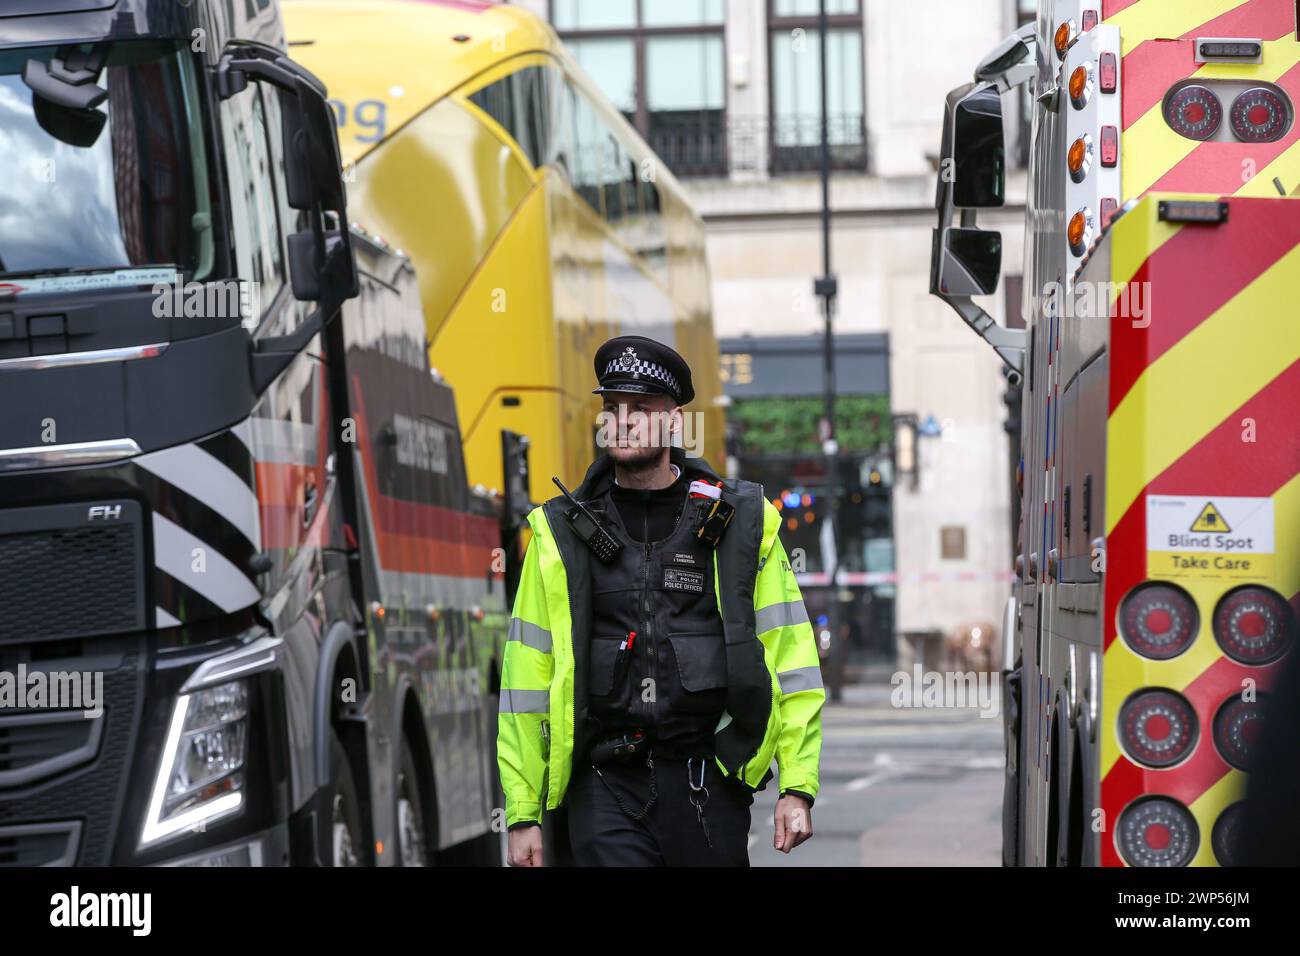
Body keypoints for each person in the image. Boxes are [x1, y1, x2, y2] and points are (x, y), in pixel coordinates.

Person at [498, 335, 824, 866]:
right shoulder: (558, 534)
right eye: (612, 408)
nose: (623, 421)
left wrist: (798, 785)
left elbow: (790, 659)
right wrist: (523, 812)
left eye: (641, 408)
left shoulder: (741, 525)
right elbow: (526, 680)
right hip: (604, 789)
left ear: (674, 421)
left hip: (708, 785)